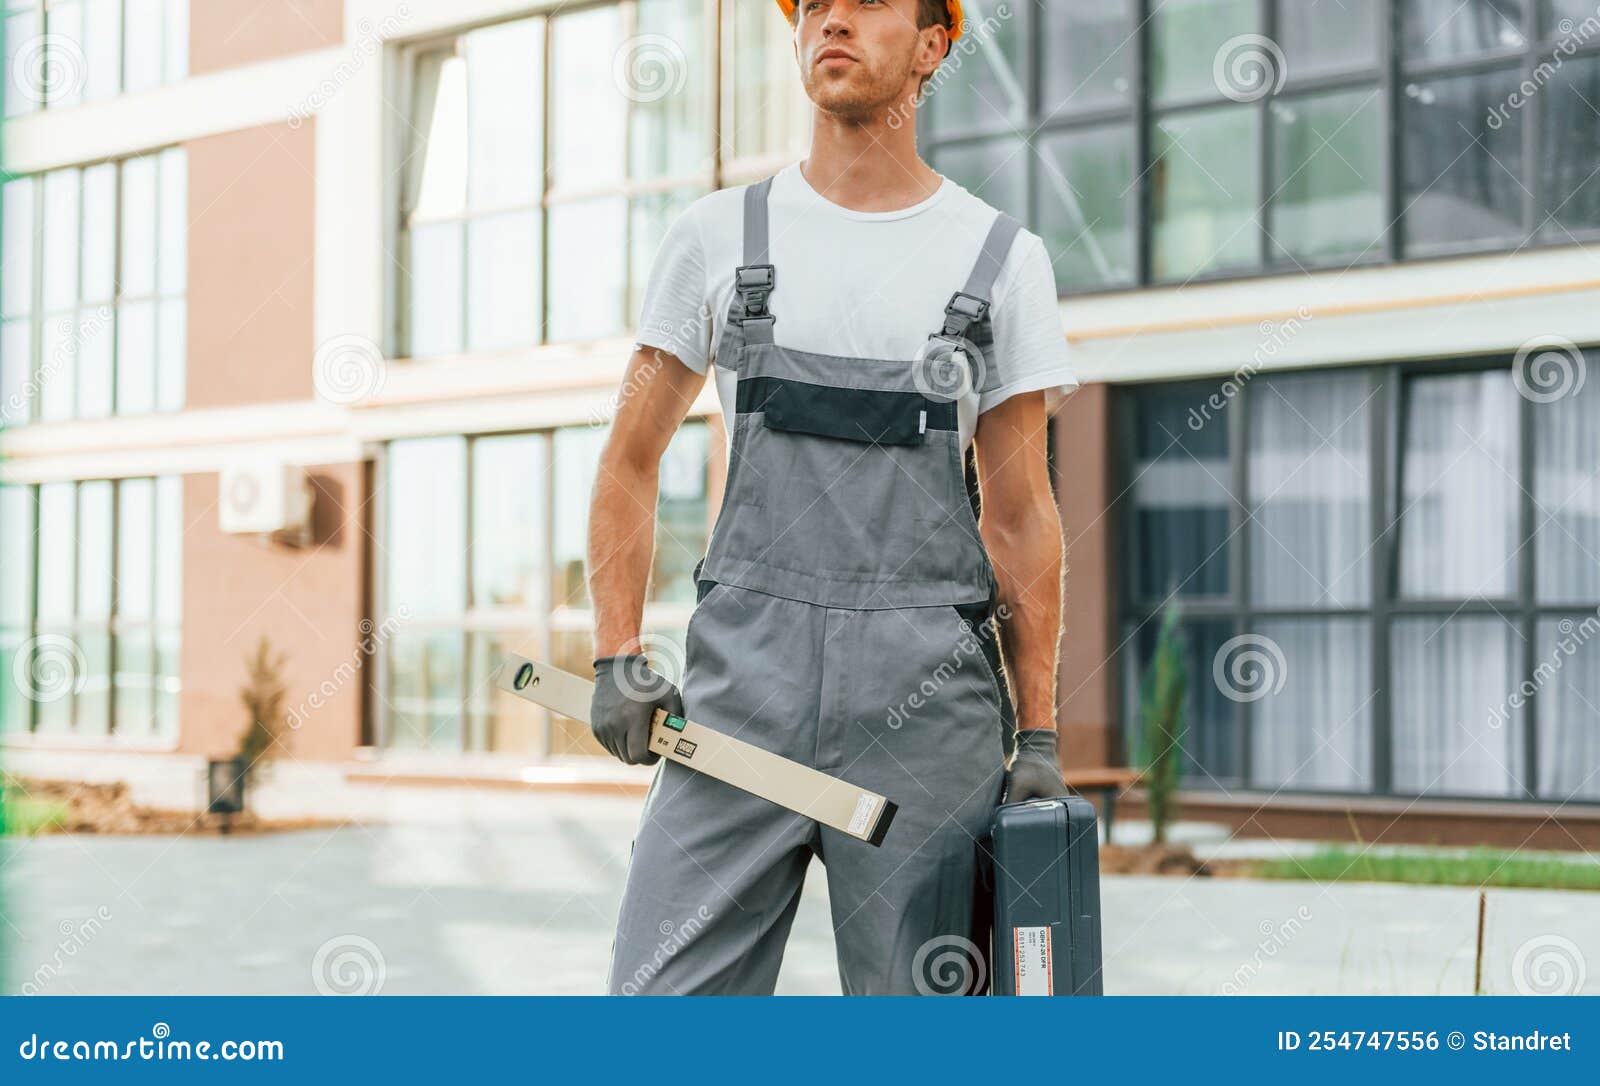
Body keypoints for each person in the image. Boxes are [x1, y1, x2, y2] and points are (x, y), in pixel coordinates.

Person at [585, 0, 1078, 995]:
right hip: (740, 706)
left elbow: (1021, 513)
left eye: (866, 3)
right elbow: (630, 457)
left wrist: (1036, 734)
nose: (831, 22)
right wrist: (616, 652)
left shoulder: (1000, 259)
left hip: (925, 717)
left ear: (933, 45)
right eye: (814, 5)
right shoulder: (718, 235)